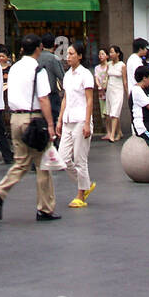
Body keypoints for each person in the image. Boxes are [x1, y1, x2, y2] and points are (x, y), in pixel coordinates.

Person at [0, 33, 58, 222]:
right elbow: (44, 98)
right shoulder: (38, 70)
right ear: (38, 48)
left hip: (15, 119)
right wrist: (51, 125)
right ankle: (45, 209)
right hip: (34, 120)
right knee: (43, 163)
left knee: (21, 162)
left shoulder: (14, 69)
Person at [58, 42, 96, 207]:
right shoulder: (67, 75)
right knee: (63, 158)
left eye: (72, 54)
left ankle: (81, 194)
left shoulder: (86, 74)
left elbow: (89, 100)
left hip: (81, 120)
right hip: (68, 120)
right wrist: (60, 119)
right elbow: (65, 98)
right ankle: (85, 184)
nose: (68, 57)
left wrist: (87, 123)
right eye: (68, 54)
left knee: (80, 159)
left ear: (80, 56)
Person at [104, 45, 128, 142]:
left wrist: (127, 93)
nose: (111, 54)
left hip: (118, 90)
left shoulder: (122, 65)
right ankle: (119, 132)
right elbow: (107, 76)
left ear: (118, 53)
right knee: (112, 113)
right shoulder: (109, 64)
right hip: (110, 89)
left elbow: (125, 80)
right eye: (110, 52)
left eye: (113, 52)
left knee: (115, 112)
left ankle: (112, 135)